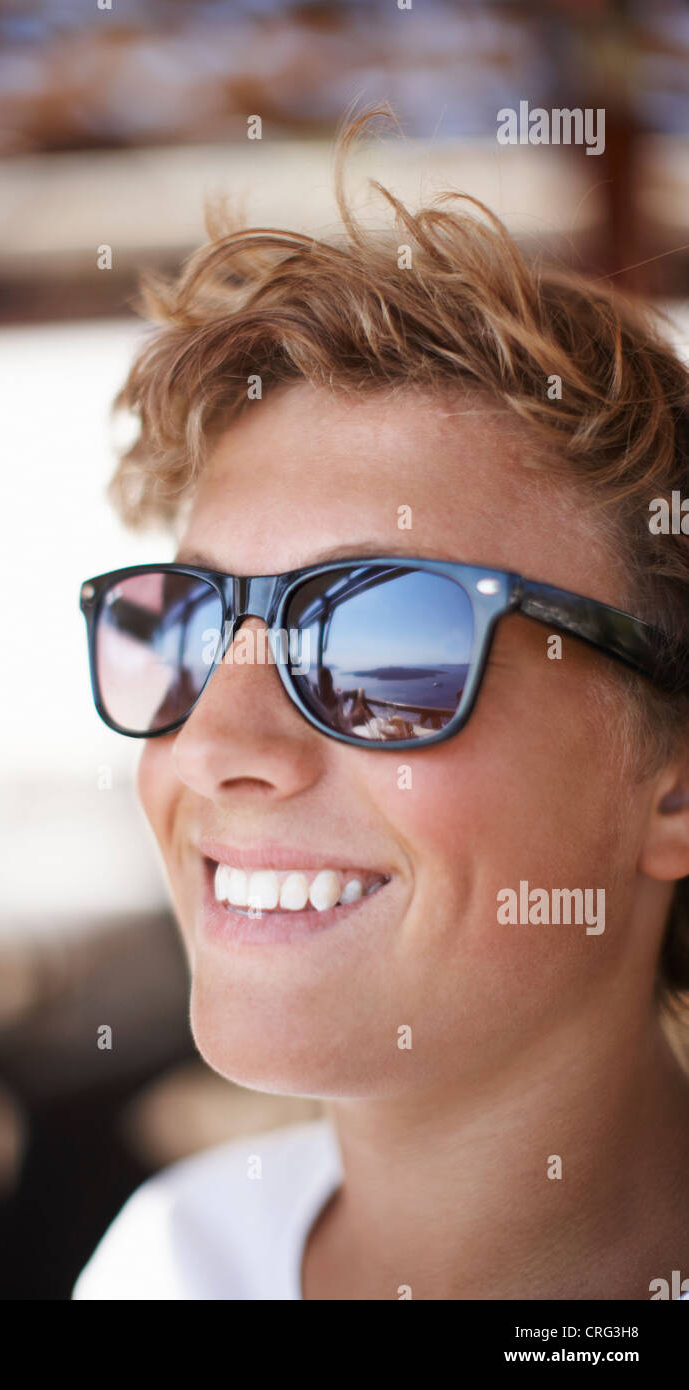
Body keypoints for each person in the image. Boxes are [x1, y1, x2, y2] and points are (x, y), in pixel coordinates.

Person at [72, 111, 689, 1300]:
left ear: (668, 786)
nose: (209, 747)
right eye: (191, 624)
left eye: (382, 640)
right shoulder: (168, 1257)